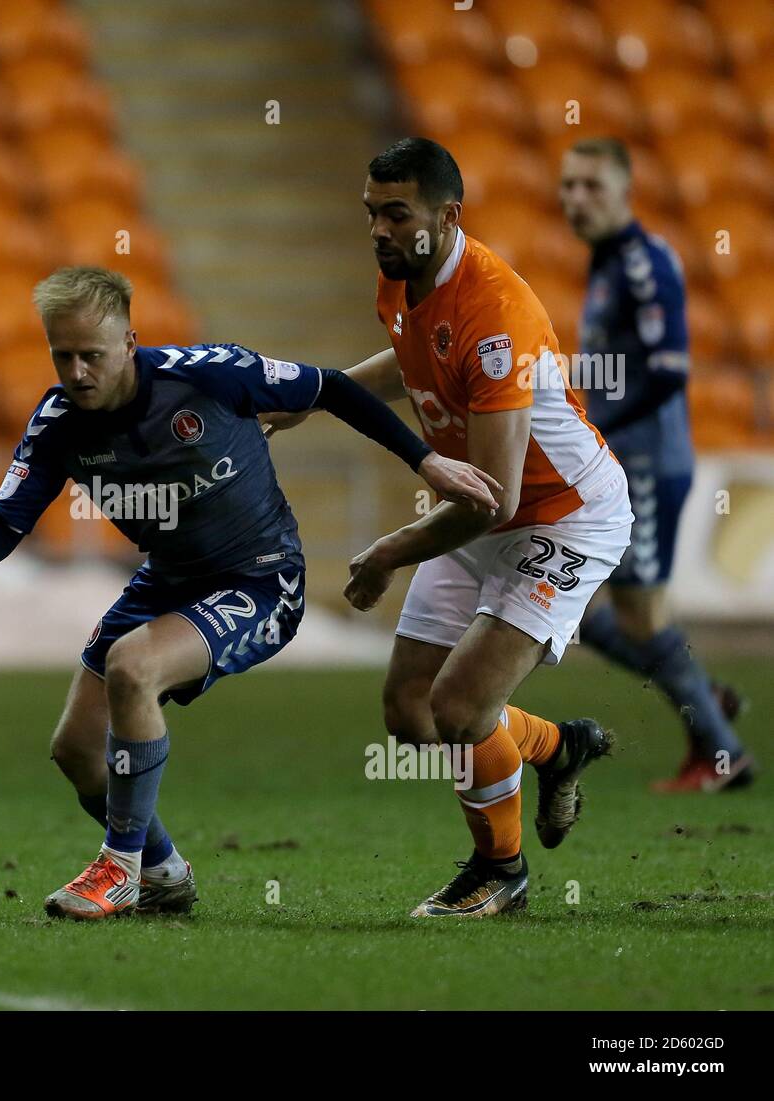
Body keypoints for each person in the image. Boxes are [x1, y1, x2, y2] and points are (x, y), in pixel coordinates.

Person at [0, 265, 501, 920]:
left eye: (91, 355)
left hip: (261, 577)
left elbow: (328, 387)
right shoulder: (60, 421)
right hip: (168, 579)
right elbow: (5, 518)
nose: (77, 372)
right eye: (61, 356)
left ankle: (119, 867)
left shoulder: (208, 374)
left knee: (134, 667)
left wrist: (426, 461)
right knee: (75, 749)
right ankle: (162, 871)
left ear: (129, 342)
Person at [277, 137, 633, 917]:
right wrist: (317, 395)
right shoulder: (402, 277)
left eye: (395, 215)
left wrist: (389, 552)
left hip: (561, 515)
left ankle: (498, 870)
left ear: (447, 215)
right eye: (371, 213)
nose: (378, 230)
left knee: (462, 709)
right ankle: (555, 746)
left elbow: (497, 500)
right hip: (483, 505)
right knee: (412, 712)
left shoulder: (495, 313)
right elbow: (409, 362)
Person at [559, 137, 754, 793]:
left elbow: (669, 371)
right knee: (602, 611)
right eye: (569, 186)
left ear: (624, 191)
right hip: (623, 462)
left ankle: (723, 752)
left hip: (643, 462)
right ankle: (701, 695)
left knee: (626, 615)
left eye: (593, 185)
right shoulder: (610, 262)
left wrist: (597, 427)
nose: (577, 199)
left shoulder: (643, 263)